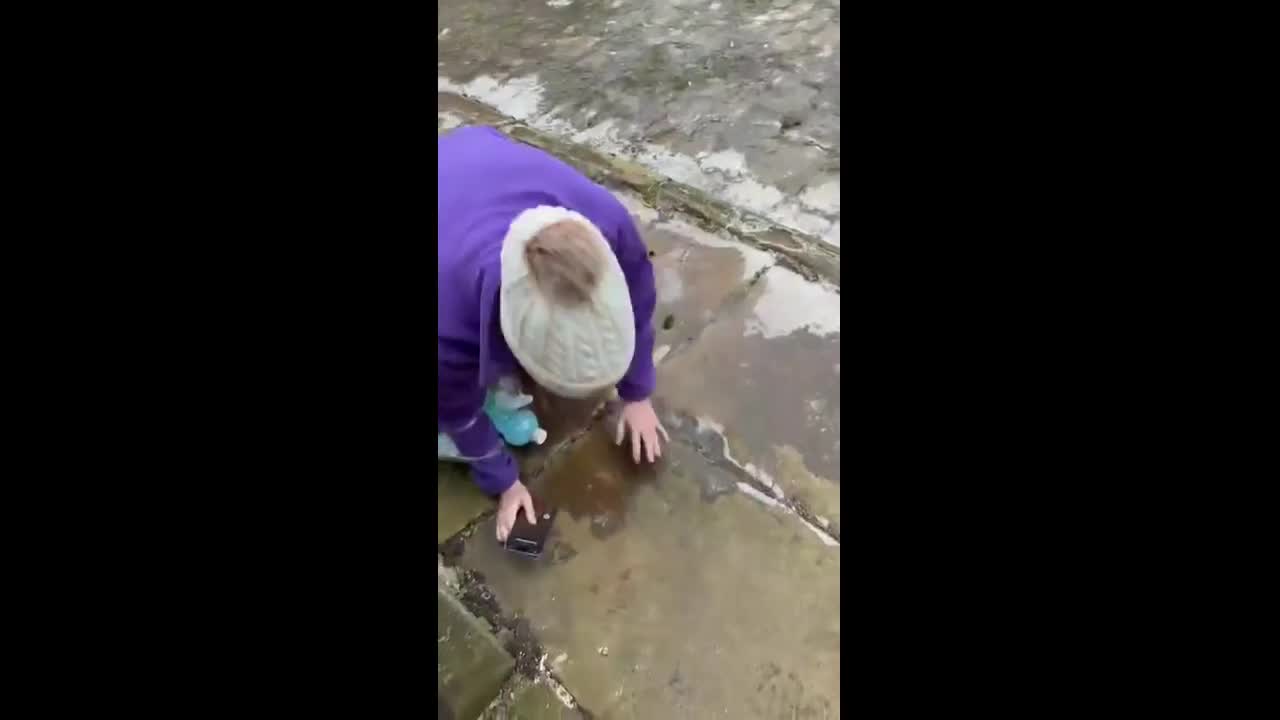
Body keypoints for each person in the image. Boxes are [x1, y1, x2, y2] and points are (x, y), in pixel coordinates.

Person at [438, 126, 668, 543]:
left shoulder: (608, 225)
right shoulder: (448, 325)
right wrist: (505, 485)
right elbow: (458, 413)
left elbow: (638, 307)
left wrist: (638, 395)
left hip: (476, 156)